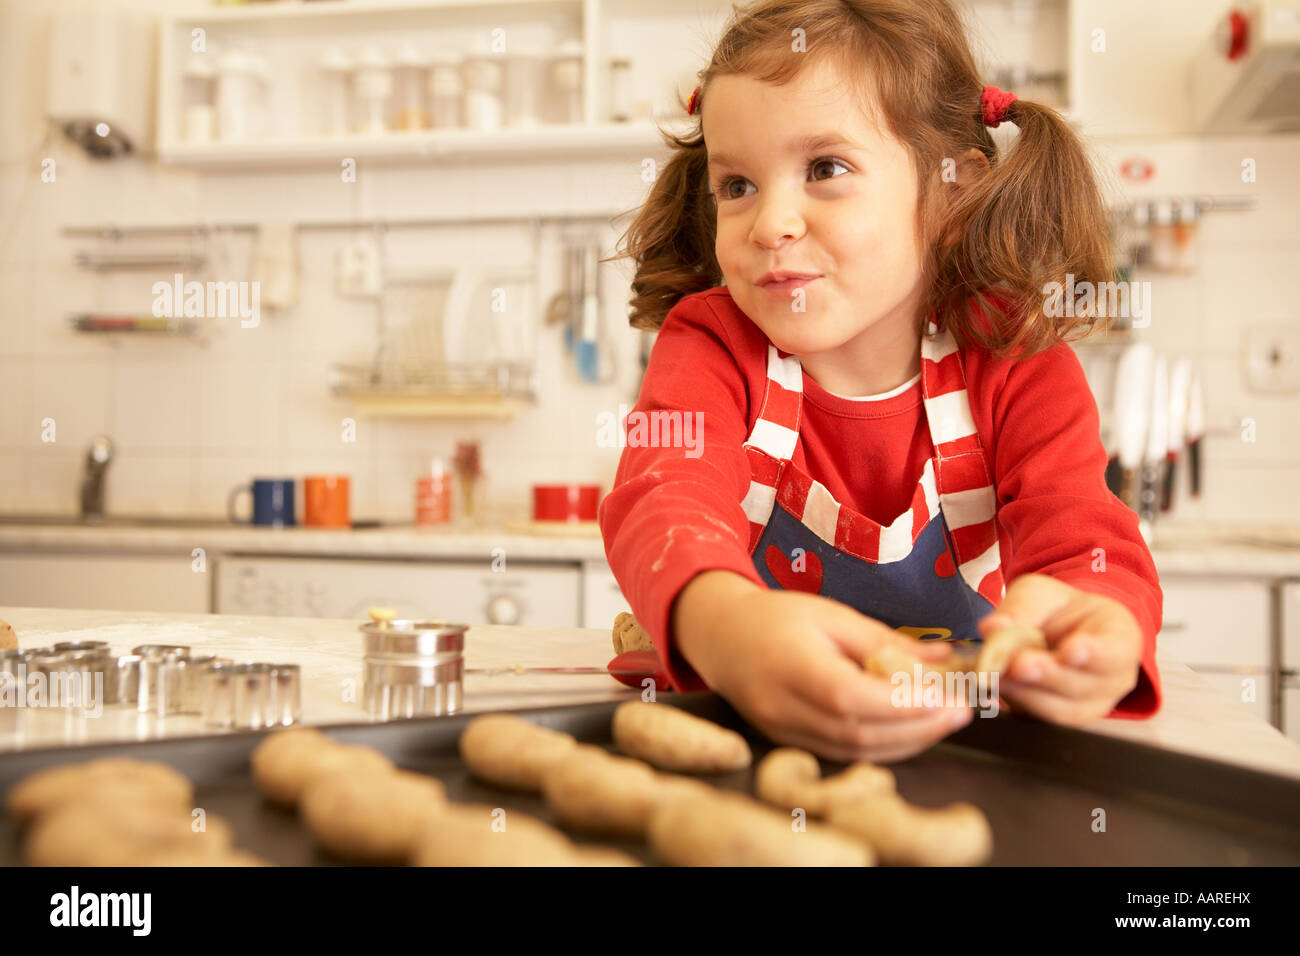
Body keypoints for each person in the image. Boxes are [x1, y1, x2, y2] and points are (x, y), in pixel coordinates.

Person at [599, 0, 1161, 763]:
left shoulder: (1011, 356)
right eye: (737, 185)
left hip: (962, 749)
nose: (770, 224)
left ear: (952, 194)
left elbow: (1083, 537)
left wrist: (1094, 620)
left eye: (825, 169)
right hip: (741, 736)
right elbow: (665, 498)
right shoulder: (710, 342)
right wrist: (725, 627)